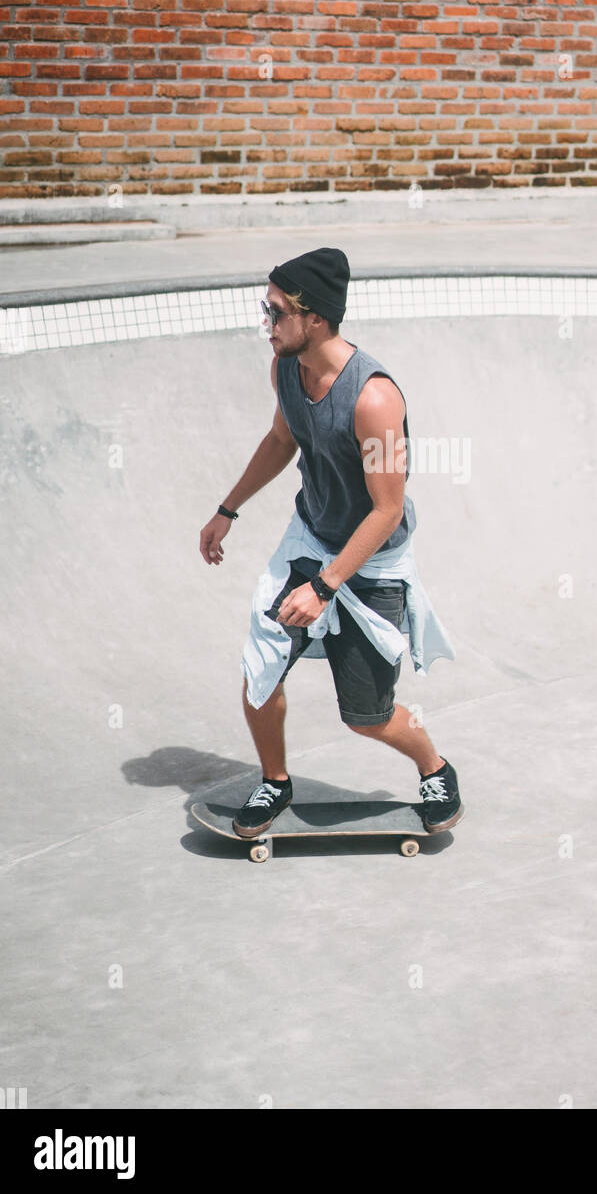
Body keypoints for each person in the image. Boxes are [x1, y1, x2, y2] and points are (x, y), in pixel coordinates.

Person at [198, 247, 463, 839]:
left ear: (312, 317)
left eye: (274, 312)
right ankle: (275, 779)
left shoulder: (375, 400)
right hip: (309, 539)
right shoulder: (285, 371)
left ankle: (434, 766)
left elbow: (387, 508)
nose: (265, 323)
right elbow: (280, 439)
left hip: (373, 559)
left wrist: (324, 586)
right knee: (261, 669)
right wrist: (227, 508)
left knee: (366, 716)